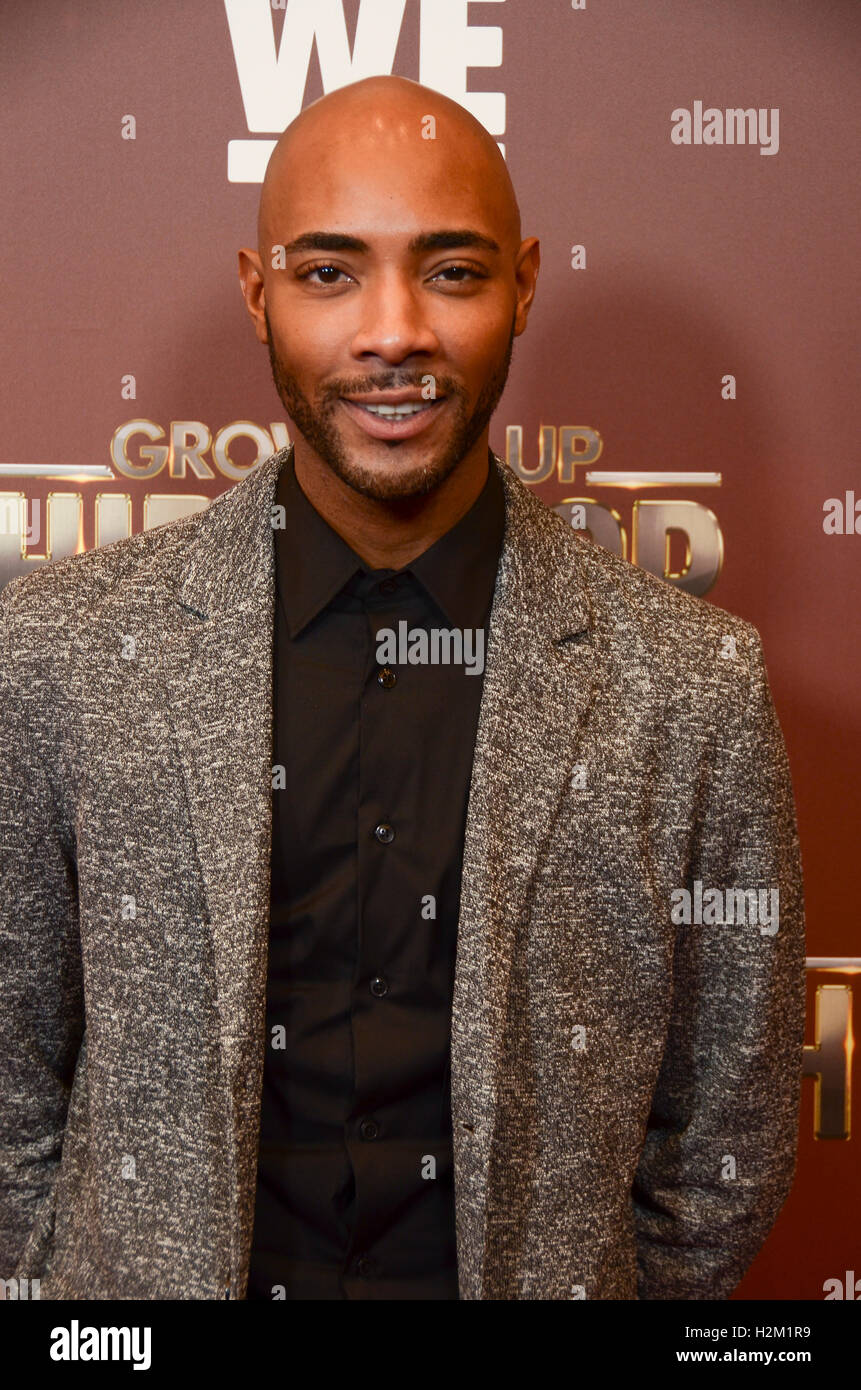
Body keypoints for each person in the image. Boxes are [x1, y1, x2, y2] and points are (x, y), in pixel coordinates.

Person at [0, 75, 805, 1301]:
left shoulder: (692, 687)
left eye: (453, 272)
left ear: (525, 283)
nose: (393, 333)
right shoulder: (61, 647)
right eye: (329, 273)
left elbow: (727, 1132)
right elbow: (9, 1076)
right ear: (255, 290)